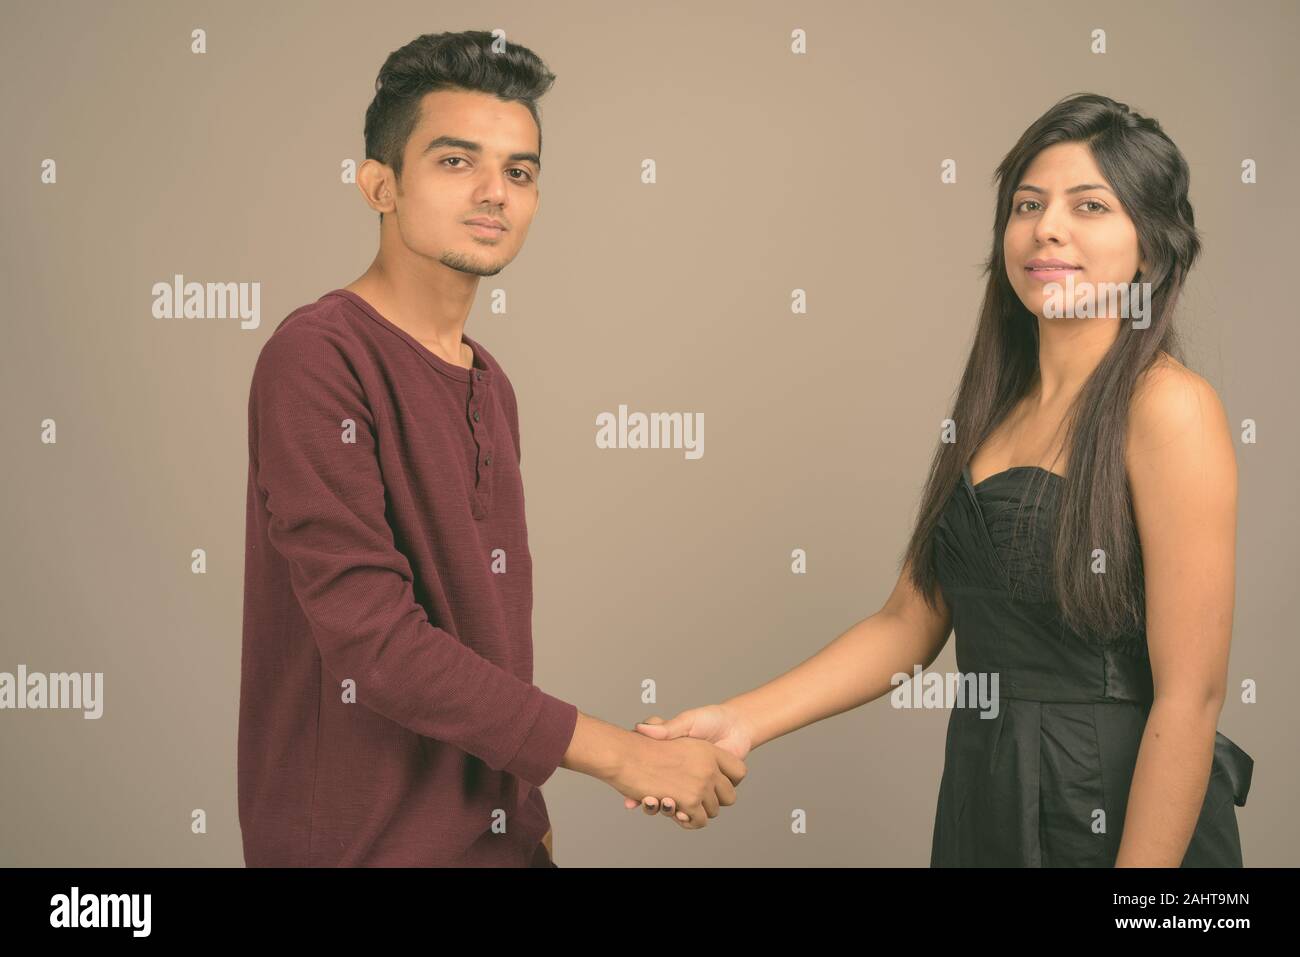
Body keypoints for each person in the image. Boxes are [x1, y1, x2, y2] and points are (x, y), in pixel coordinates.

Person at [624, 93, 1253, 867]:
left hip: (1116, 811)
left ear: (1150, 250)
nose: (1046, 226)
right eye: (1028, 204)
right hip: (986, 790)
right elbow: (908, 621)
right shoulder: (992, 410)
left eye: (1089, 205)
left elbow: (1190, 699)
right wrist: (739, 720)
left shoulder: (1169, 407)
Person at [239, 30, 745, 869]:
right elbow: (378, 642)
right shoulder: (318, 357)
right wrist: (626, 754)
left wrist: (528, 812)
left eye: (519, 171)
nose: (493, 192)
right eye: (454, 161)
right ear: (380, 185)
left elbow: (483, 640)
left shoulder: (490, 382)